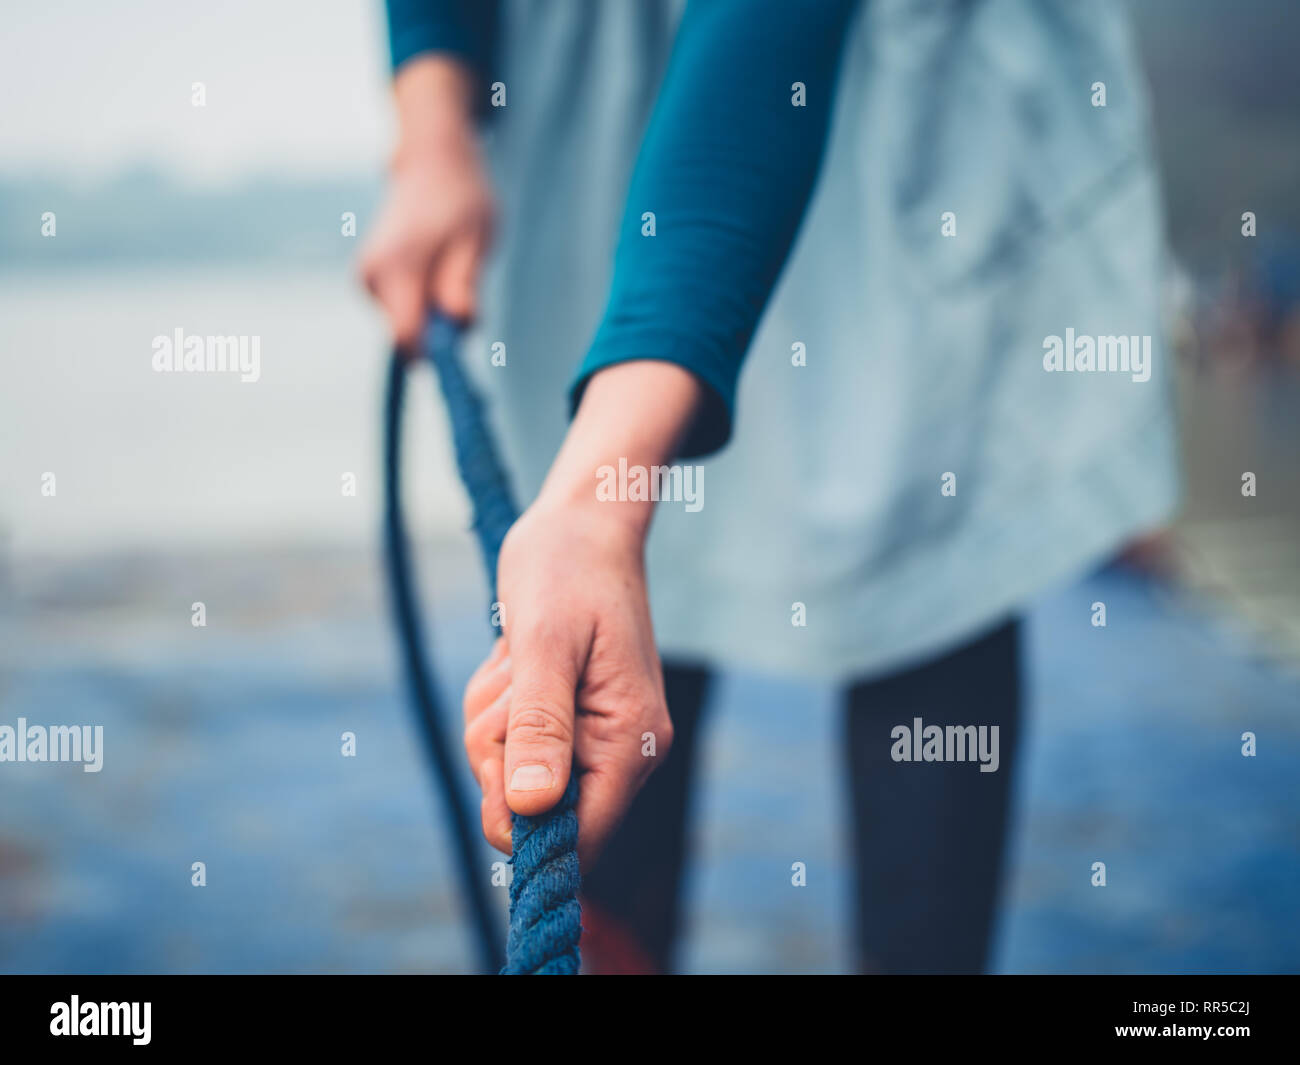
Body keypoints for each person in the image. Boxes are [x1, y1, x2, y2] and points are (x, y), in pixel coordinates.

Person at [360, 0, 1178, 973]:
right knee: (604, 639)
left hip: (897, 111)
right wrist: (433, 119)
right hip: (597, 128)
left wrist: (596, 500)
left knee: (921, 541)